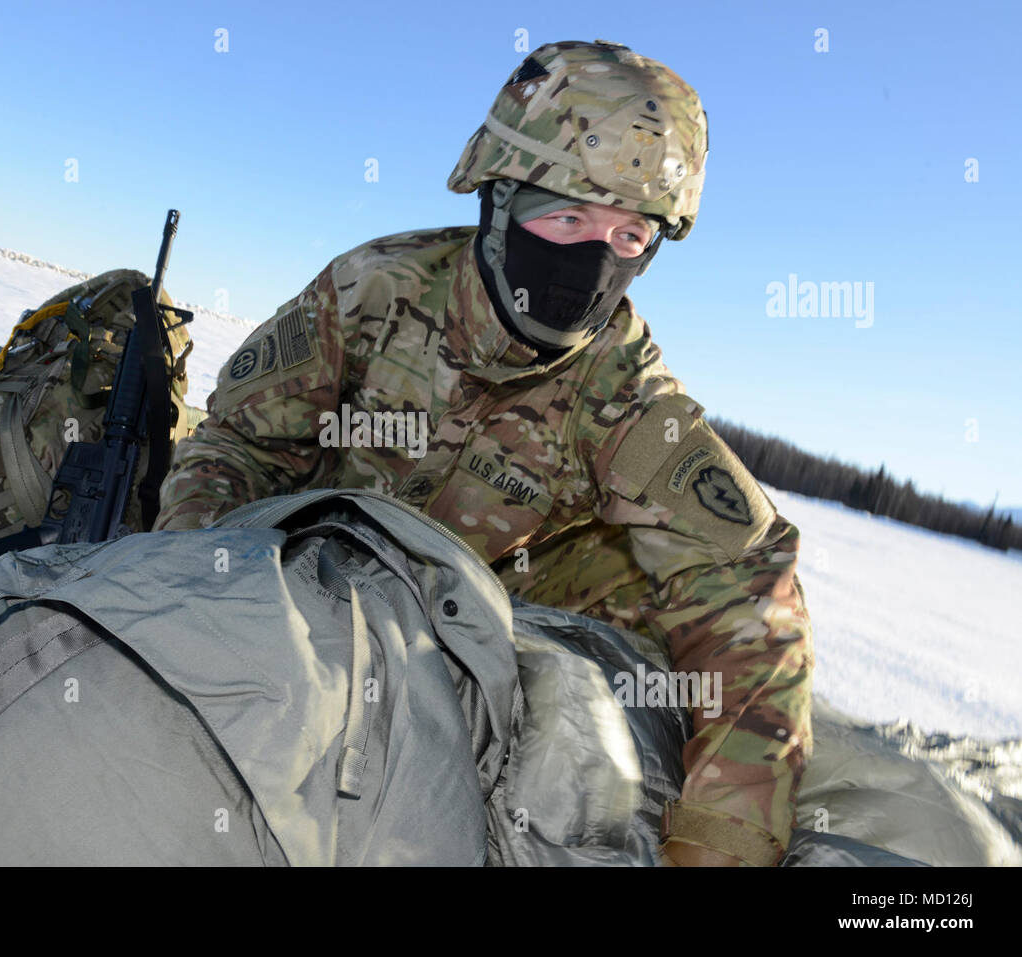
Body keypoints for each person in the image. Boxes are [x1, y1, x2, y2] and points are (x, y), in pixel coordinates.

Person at [156, 39, 813, 867]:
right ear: (499, 198)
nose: (594, 259)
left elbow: (751, 601)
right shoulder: (376, 290)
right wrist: (198, 590)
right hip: (306, 568)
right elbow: (239, 443)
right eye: (568, 217)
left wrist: (720, 851)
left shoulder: (625, 396)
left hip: (472, 635)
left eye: (631, 234)